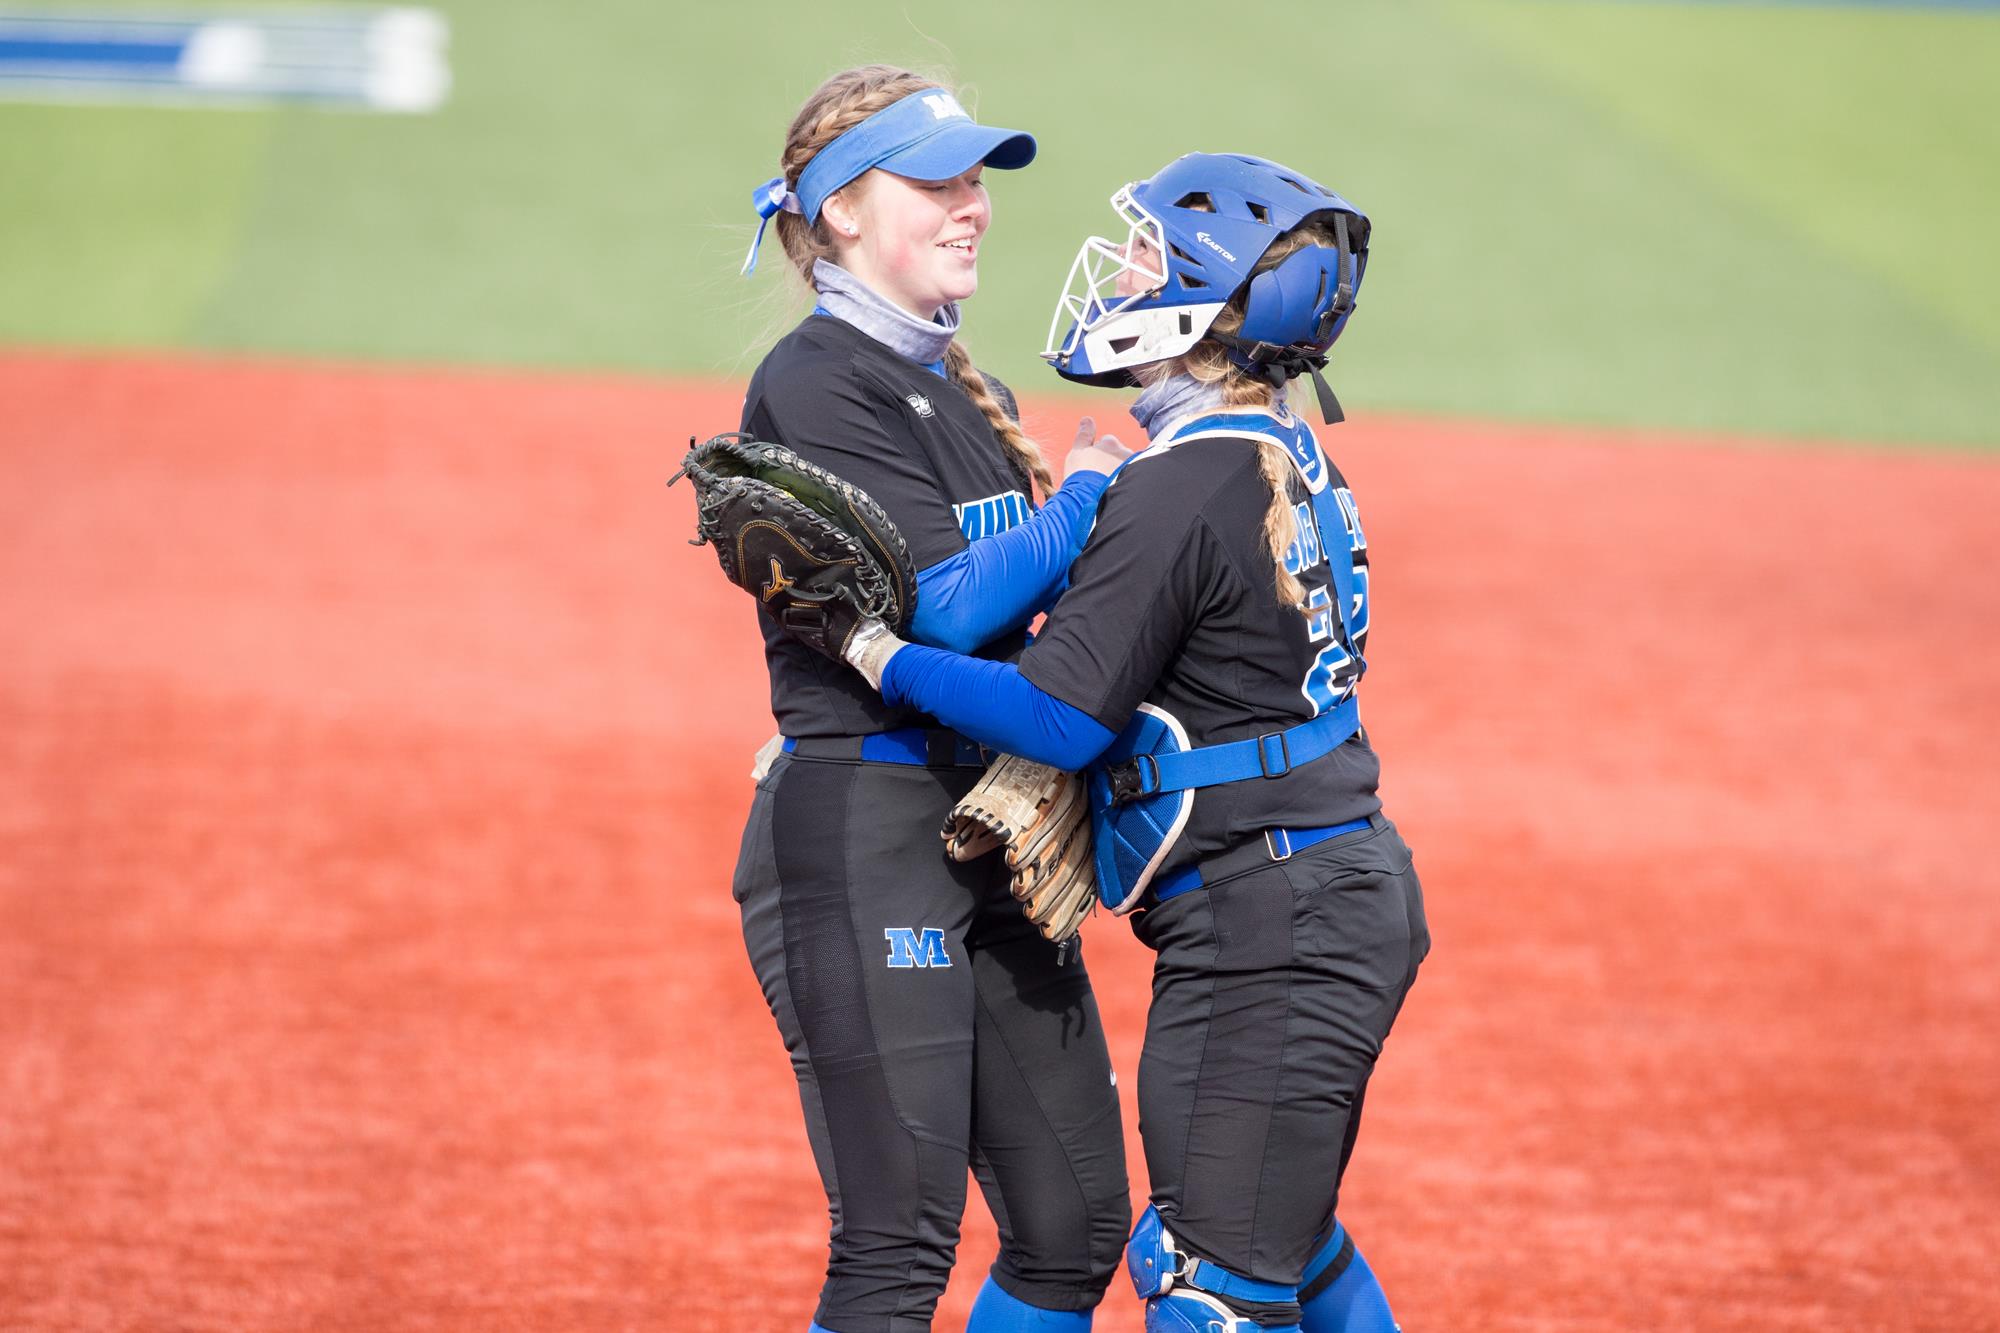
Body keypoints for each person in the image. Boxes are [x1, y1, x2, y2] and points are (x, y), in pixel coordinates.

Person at [839, 153, 1430, 1333]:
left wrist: (871, 651)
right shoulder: (1278, 453)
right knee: (1276, 1233)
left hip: (1270, 927)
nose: (1121, 275)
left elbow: (1061, 715)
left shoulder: (1180, 484)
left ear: (1204, 307)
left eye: (1150, 257)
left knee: (1212, 1290)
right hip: (1320, 889)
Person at [728, 65, 1132, 1333]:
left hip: (992, 839)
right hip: (866, 840)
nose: (972, 206)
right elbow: (943, 609)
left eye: (976, 181)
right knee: (898, 1245)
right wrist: (1088, 494)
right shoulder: (814, 381)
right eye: (938, 180)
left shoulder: (974, 396)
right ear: (840, 212)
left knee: (1071, 1228)